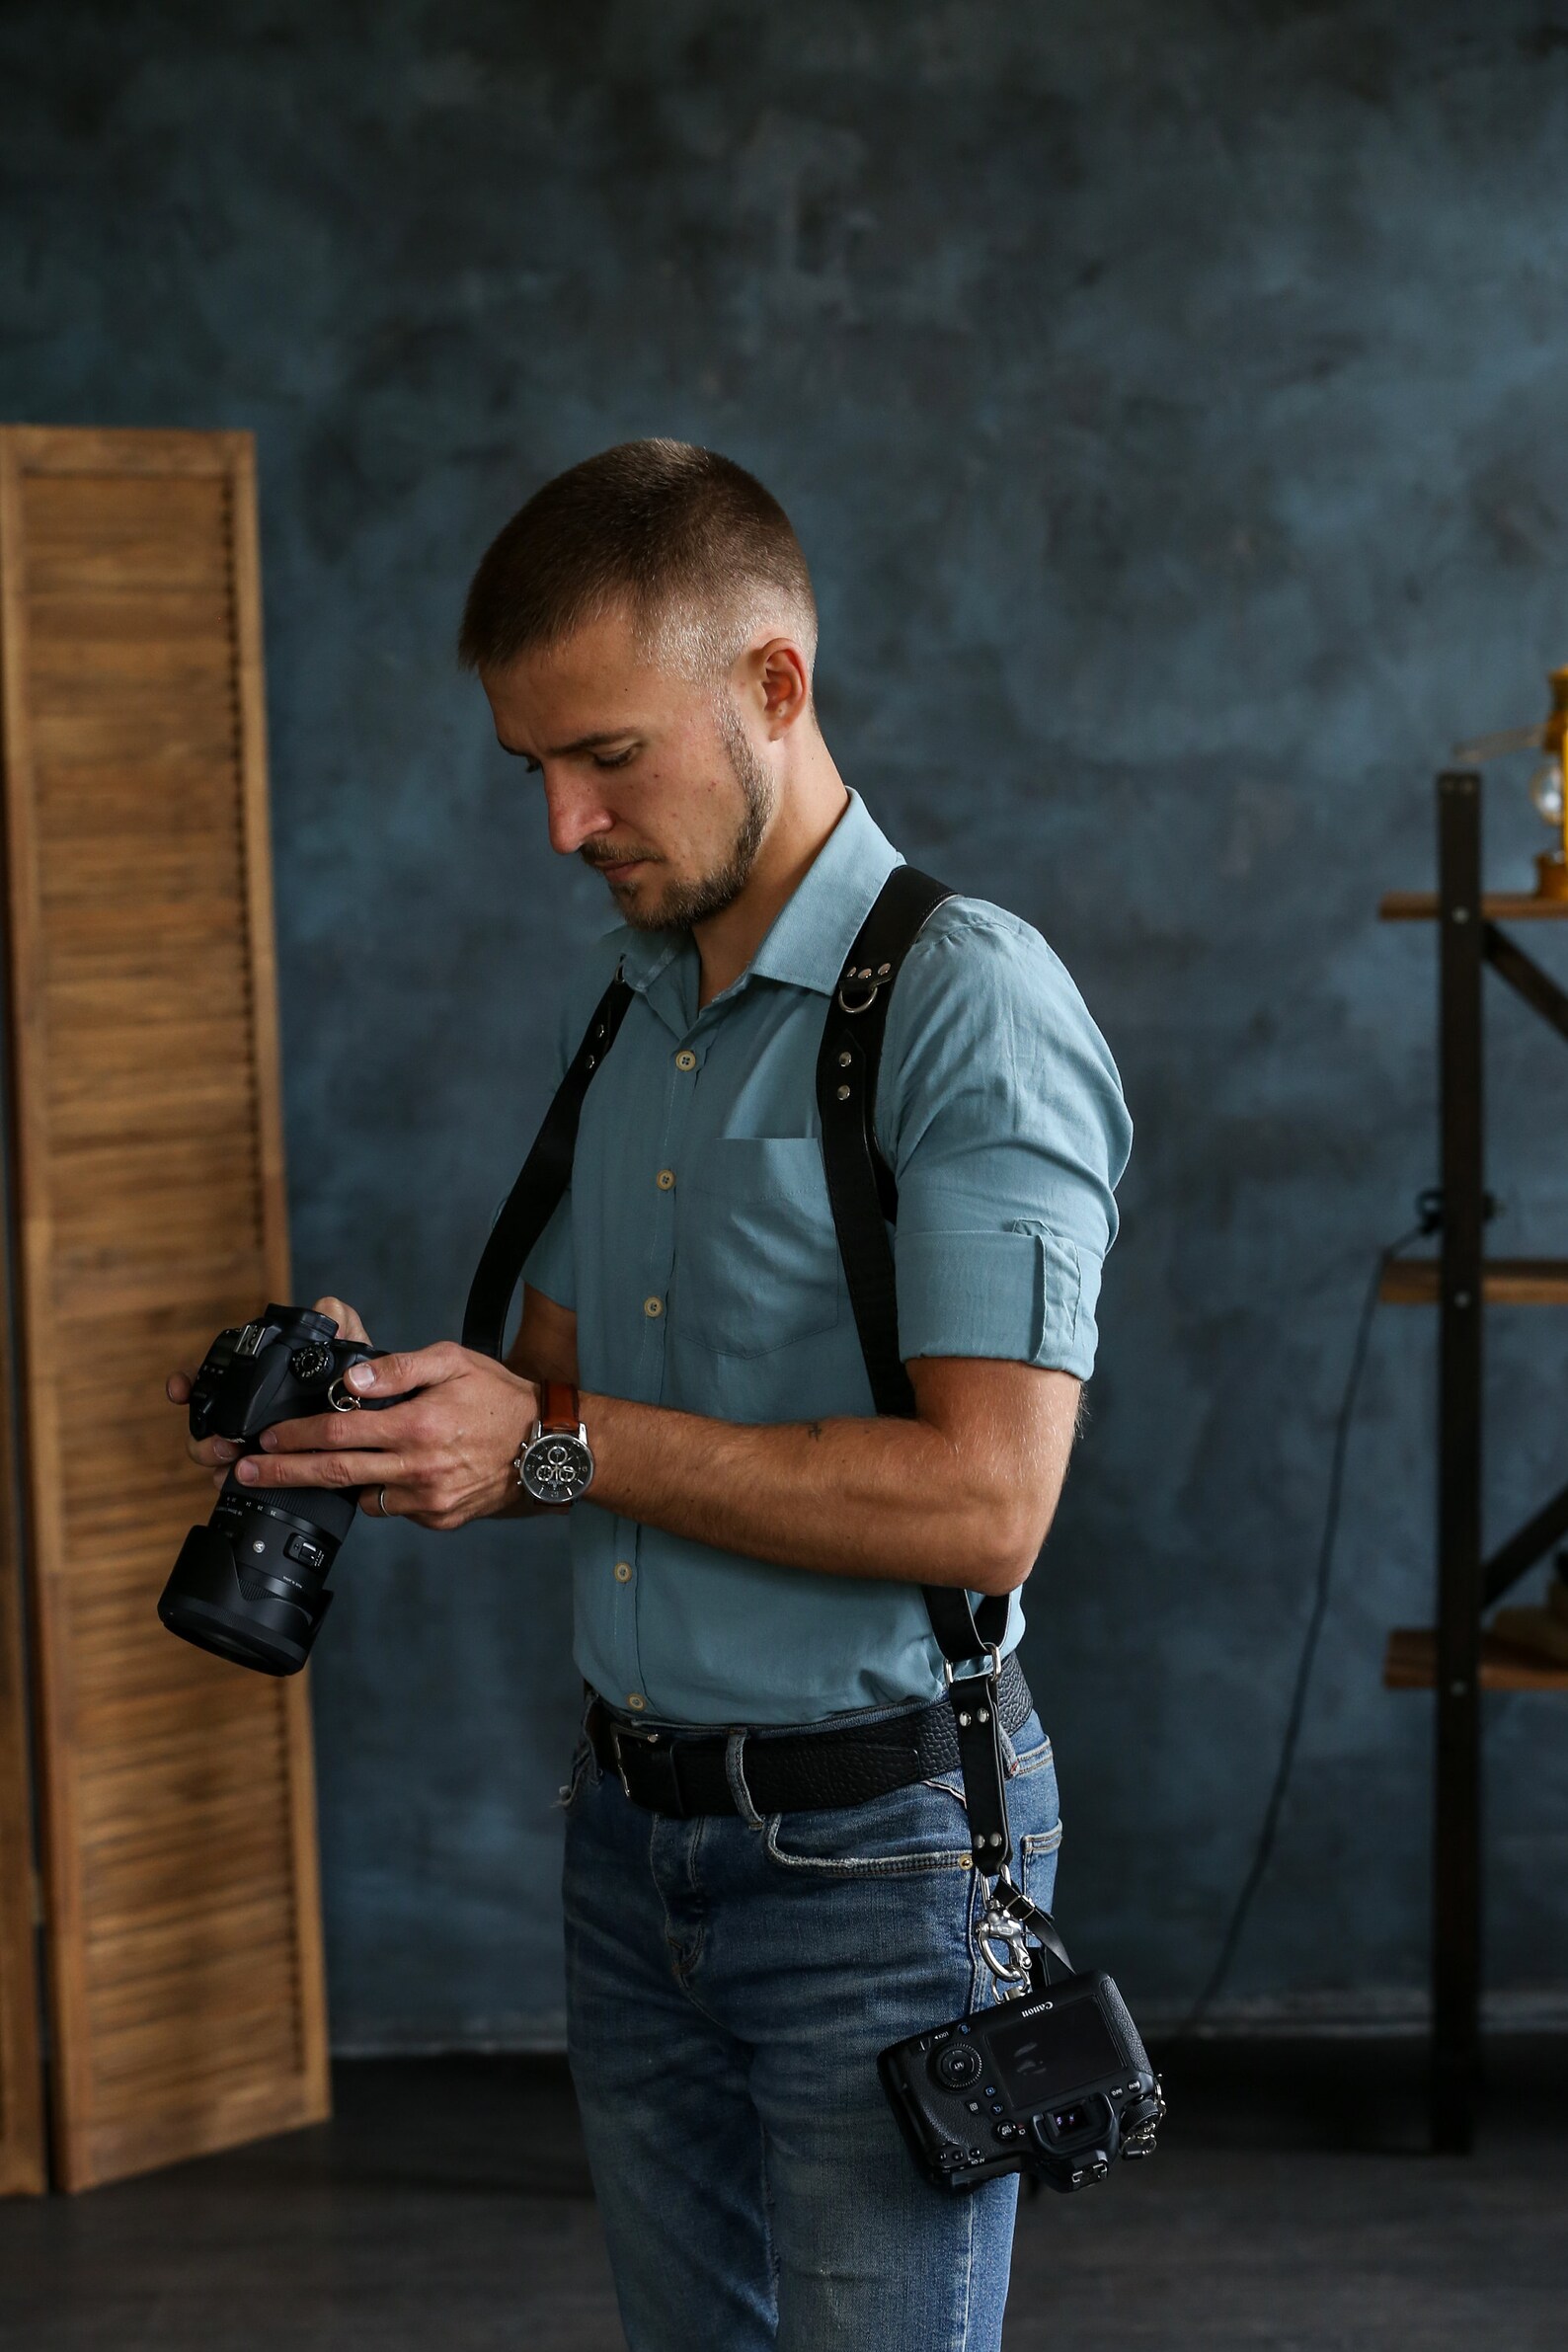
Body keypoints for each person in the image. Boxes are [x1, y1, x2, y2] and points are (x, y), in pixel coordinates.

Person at [169, 440, 1131, 2352]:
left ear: (772, 684)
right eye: (529, 766)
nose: (559, 821)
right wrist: (381, 1416)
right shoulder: (619, 1002)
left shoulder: (964, 1006)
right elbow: (557, 1408)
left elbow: (981, 1504)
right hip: (625, 1836)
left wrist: (555, 1440)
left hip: (876, 1860)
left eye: (603, 755)